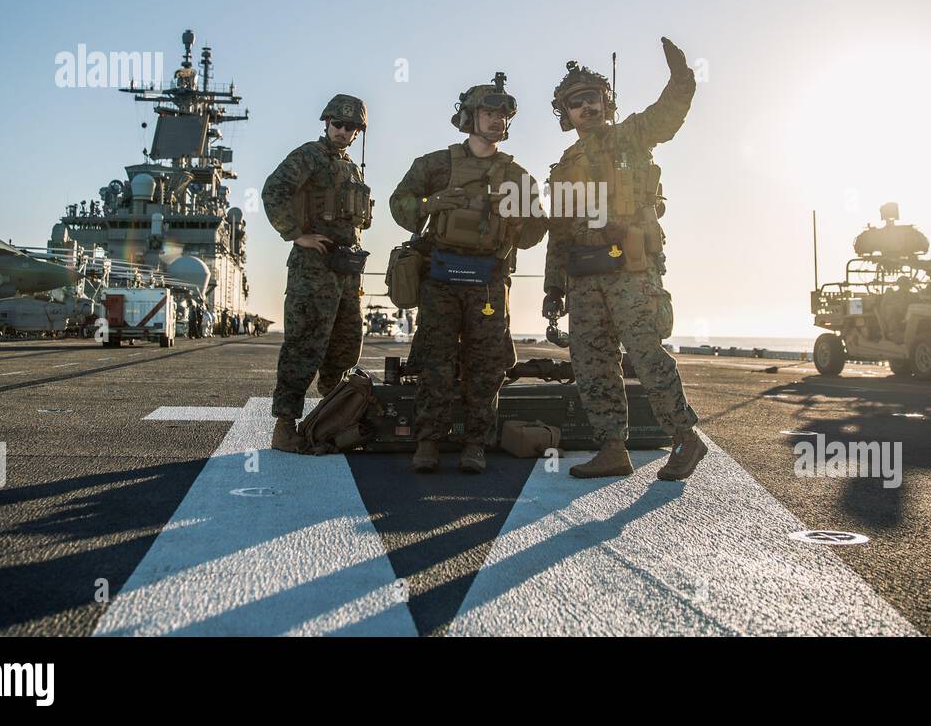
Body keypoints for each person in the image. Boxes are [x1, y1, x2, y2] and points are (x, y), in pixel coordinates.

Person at [542, 37, 705, 481]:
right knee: (592, 364)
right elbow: (558, 232)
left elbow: (670, 113)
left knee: (646, 355)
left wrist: (681, 78)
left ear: (606, 102)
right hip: (583, 275)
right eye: (576, 103)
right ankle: (612, 448)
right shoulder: (563, 165)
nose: (586, 108)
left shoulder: (632, 135)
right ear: (566, 114)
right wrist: (552, 287)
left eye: (592, 98)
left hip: (629, 269)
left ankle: (685, 439)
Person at [390, 75, 546, 474]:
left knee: (486, 364)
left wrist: (520, 218)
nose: (498, 121)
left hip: (489, 282)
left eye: (504, 115)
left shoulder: (517, 176)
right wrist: (431, 203)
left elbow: (534, 233)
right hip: (441, 276)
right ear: (469, 117)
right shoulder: (436, 165)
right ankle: (428, 441)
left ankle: (476, 442)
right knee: (435, 360)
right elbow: (399, 202)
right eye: (490, 113)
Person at [262, 94, 373, 451]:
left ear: (358, 132)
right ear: (326, 123)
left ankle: (331, 420)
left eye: (351, 126)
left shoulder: (352, 168)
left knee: (345, 347)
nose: (343, 131)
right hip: (313, 270)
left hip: (346, 271)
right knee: (304, 345)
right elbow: (274, 190)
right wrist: (296, 235)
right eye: (337, 124)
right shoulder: (308, 156)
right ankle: (284, 427)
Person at [880, 276, 916, 342]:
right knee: (891, 309)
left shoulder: (912, 295)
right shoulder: (893, 295)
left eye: (907, 285)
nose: (906, 287)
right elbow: (885, 306)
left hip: (909, 316)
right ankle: (893, 333)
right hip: (897, 317)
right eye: (904, 285)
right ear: (900, 285)